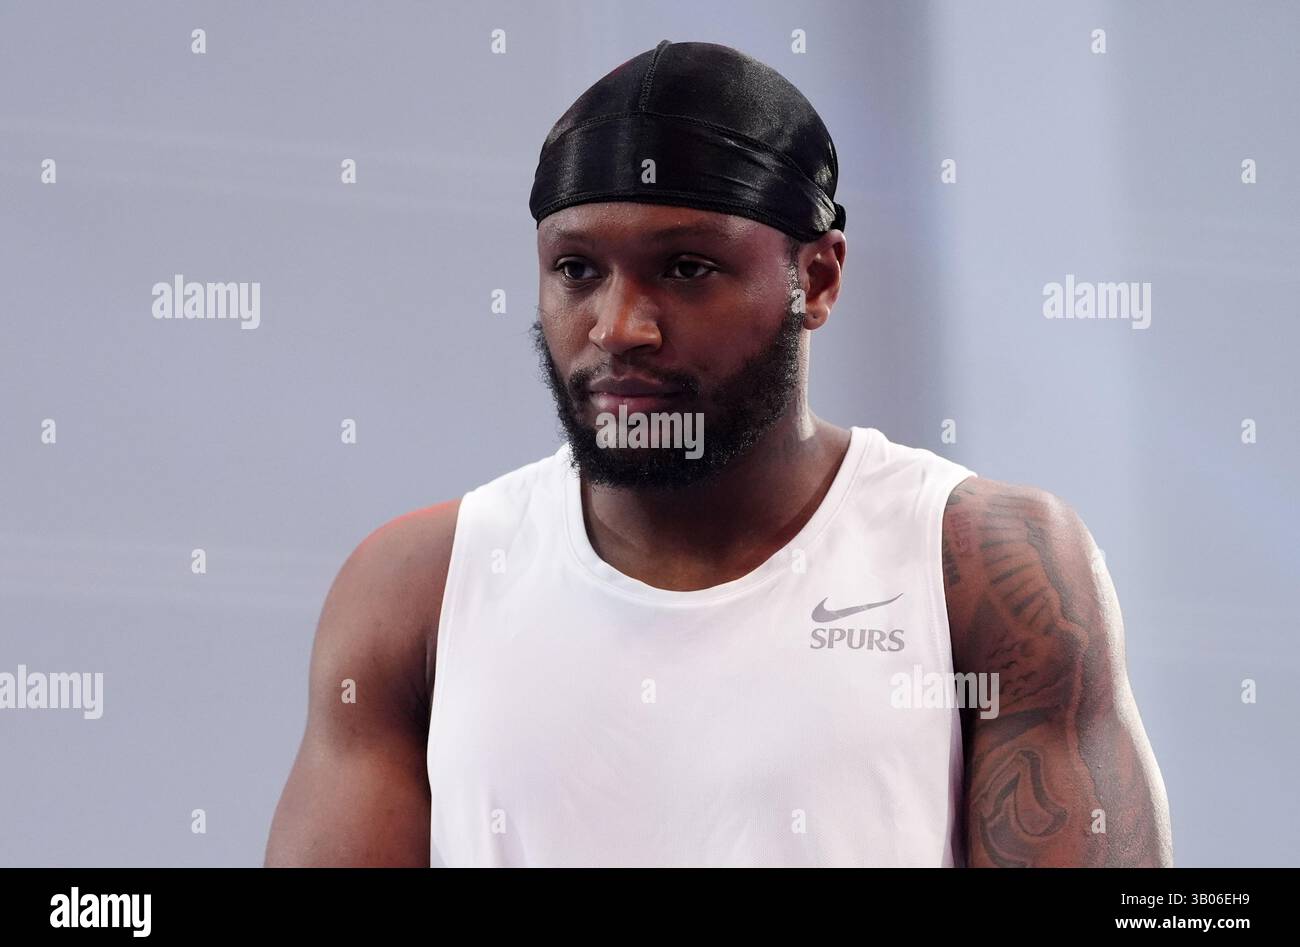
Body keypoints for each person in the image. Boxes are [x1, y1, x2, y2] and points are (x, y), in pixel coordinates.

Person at [265, 40, 1172, 867]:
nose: (619, 327)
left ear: (814, 279)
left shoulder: (983, 564)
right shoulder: (416, 587)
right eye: (577, 270)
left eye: (688, 268)